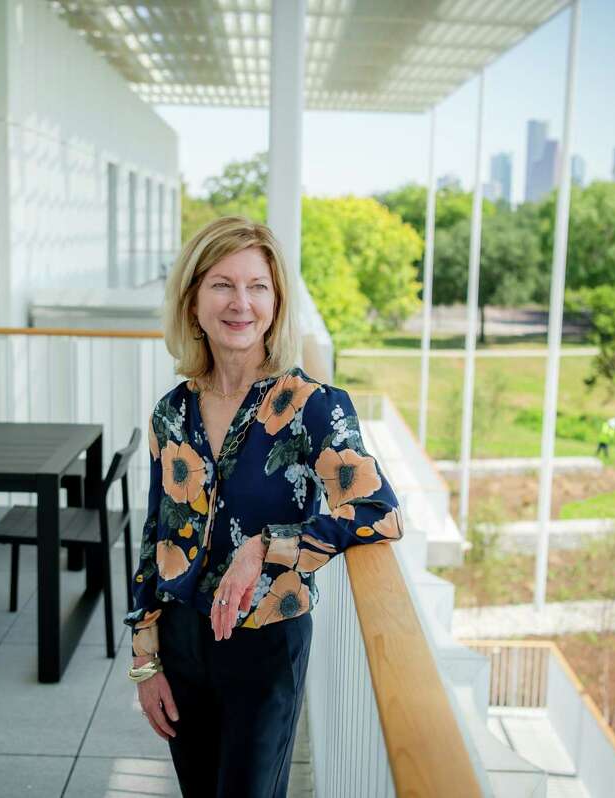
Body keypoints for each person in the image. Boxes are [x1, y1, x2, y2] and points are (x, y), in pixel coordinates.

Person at [124, 216, 403, 798]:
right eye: (222, 284)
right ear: (193, 298)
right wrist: (145, 661)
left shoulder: (313, 407)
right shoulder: (170, 413)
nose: (240, 303)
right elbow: (155, 537)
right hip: (181, 641)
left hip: (265, 643)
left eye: (258, 286)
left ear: (276, 302)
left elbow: (380, 510)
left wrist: (267, 546)